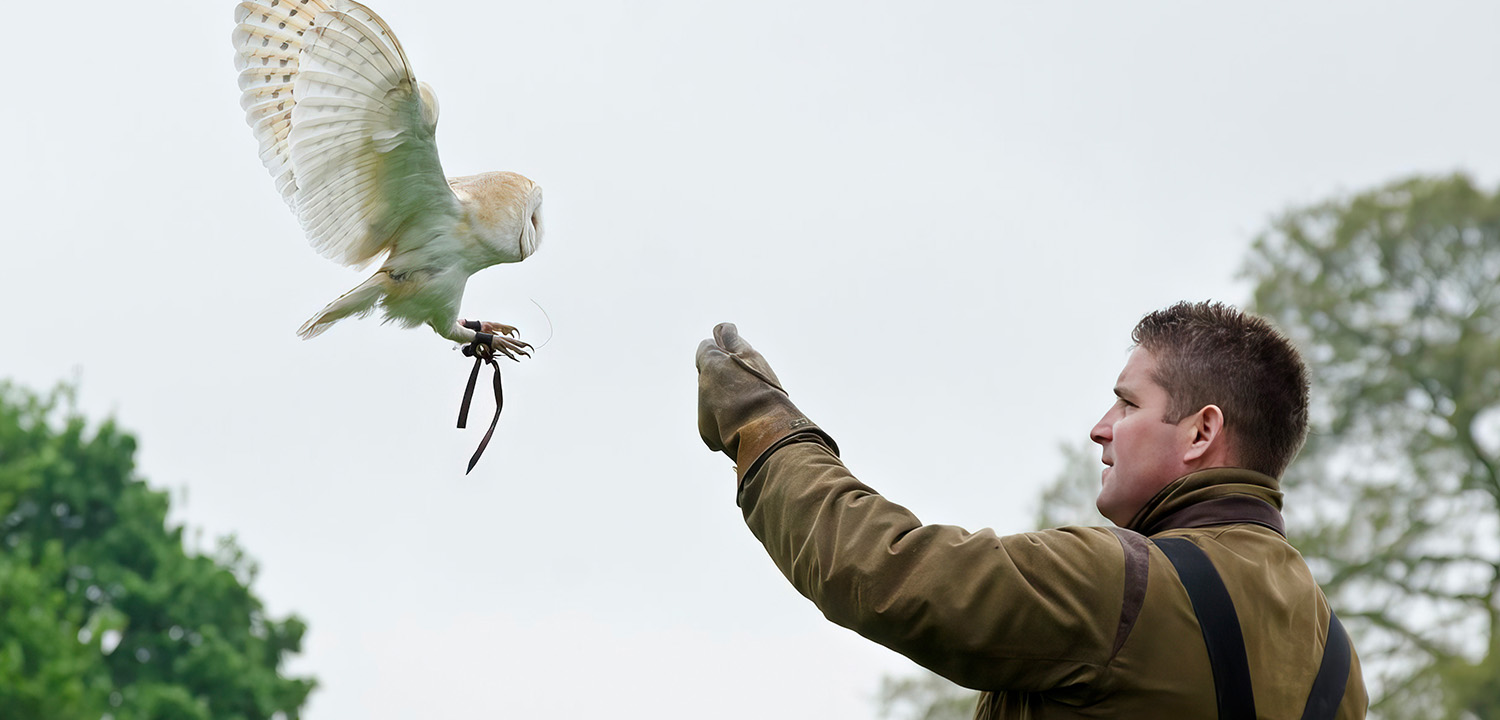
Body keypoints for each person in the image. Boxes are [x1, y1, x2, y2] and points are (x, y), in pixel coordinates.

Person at [695, 301, 1367, 719]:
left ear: (1201, 432)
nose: (1101, 428)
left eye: (1129, 403)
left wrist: (765, 429)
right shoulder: (1336, 664)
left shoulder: (1120, 586)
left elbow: (882, 569)